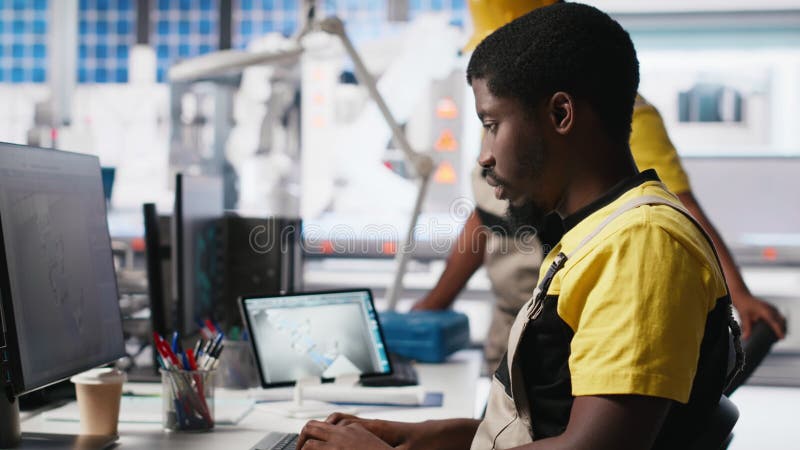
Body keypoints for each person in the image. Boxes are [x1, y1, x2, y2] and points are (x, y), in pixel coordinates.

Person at [298, 3, 741, 449]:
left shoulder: (639, 245)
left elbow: (593, 448)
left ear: (561, 115)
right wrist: (416, 436)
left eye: (492, 124)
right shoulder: (594, 233)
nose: (483, 155)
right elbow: (541, 429)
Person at [413, 0, 785, 375]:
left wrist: (736, 293)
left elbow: (679, 209)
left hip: (567, 334)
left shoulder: (612, 121)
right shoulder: (506, 114)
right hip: (517, 327)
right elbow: (489, 215)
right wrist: (436, 300)